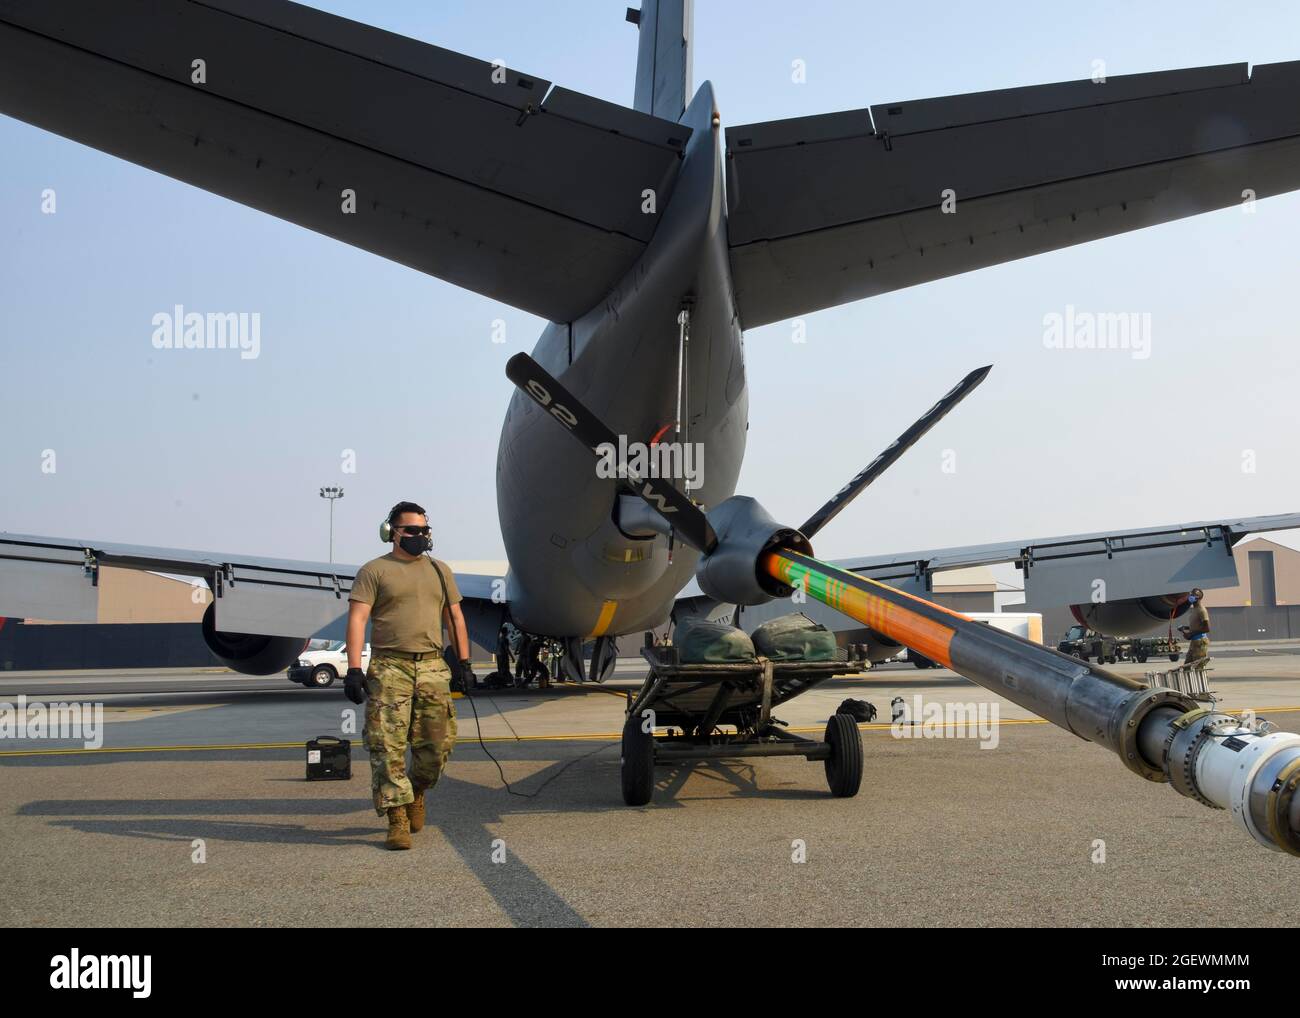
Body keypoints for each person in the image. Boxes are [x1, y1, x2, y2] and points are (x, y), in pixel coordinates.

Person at [344, 501, 474, 850]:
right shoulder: (374, 571)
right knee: (387, 746)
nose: (419, 536)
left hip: (432, 666)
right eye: (411, 530)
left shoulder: (439, 570)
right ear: (392, 532)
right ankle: (397, 817)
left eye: (424, 530)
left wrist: (464, 663)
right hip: (390, 667)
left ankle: (416, 791)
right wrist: (354, 669)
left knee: (437, 746)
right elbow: (357, 618)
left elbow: (455, 618)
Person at [1179, 587, 1211, 665]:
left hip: (1200, 642)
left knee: (1198, 667)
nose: (1191, 596)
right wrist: (1185, 628)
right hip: (1194, 642)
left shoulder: (1201, 610)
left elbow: (1207, 628)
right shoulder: (1194, 609)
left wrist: (1191, 634)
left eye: (1193, 595)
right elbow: (1197, 626)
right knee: (1187, 666)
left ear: (1198, 597)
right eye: (1191, 594)